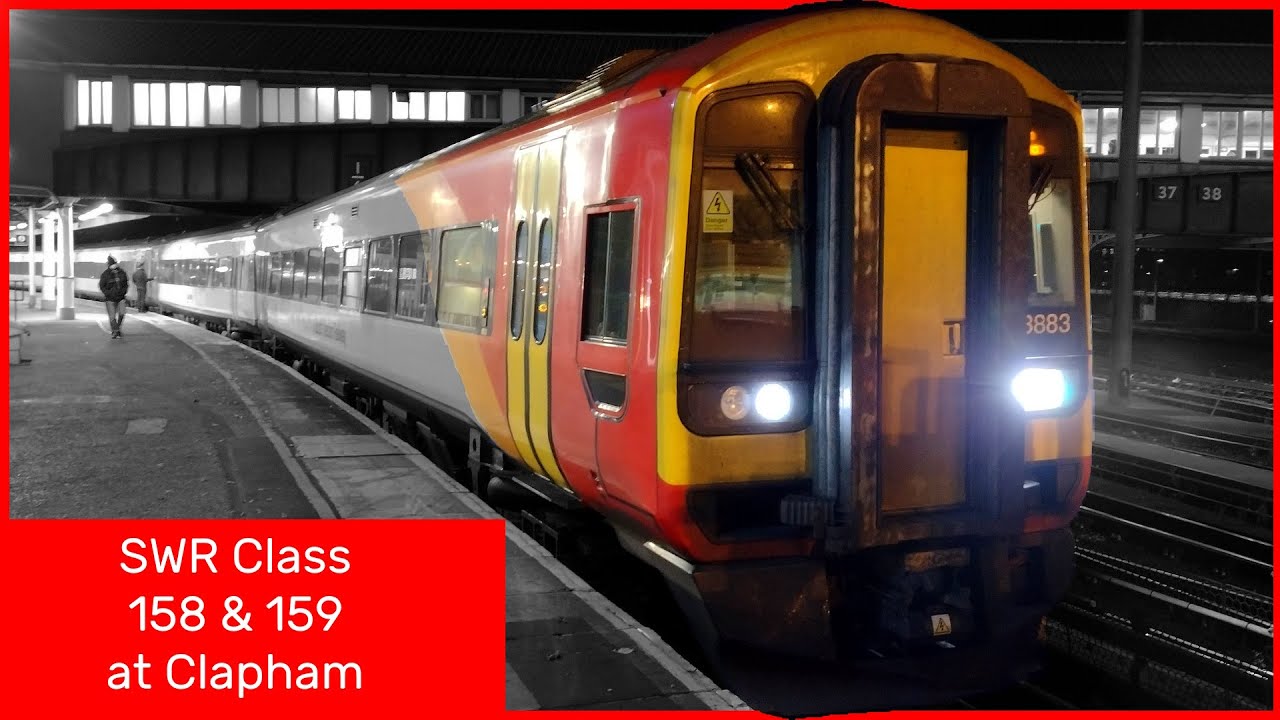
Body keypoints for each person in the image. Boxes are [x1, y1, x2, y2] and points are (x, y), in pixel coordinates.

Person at [99, 256, 129, 339]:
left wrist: (123, 292)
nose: (114, 266)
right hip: (110, 299)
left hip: (121, 297)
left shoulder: (122, 273)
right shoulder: (105, 274)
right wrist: (108, 293)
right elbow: (102, 286)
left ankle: (117, 329)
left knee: (122, 314)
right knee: (112, 317)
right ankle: (115, 331)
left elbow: (126, 284)